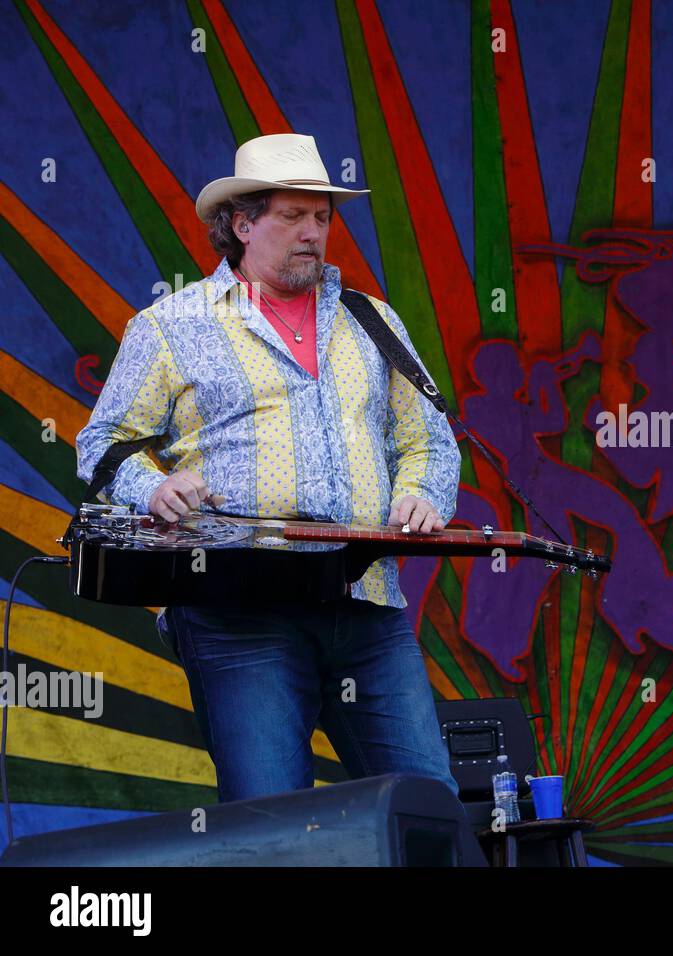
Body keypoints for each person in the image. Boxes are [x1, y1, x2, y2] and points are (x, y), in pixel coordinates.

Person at [75, 133, 462, 803]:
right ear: (243, 223)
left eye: (322, 217)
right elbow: (102, 442)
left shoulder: (372, 320)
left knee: (428, 808)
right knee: (269, 821)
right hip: (238, 612)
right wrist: (155, 485)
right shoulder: (174, 323)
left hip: (365, 604)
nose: (312, 232)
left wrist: (422, 493)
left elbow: (429, 439)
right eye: (292, 215)